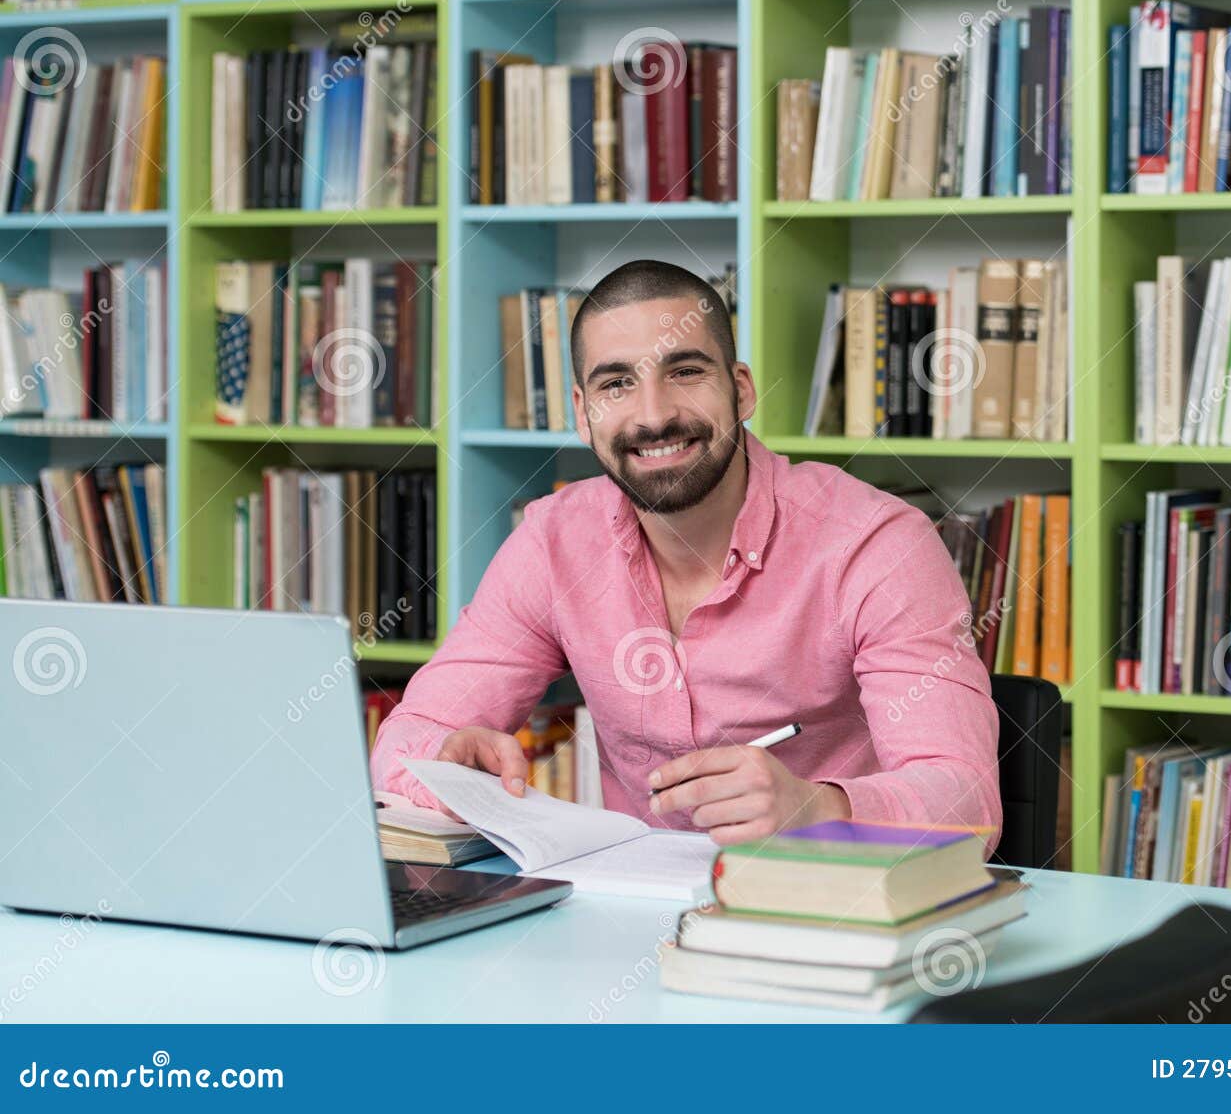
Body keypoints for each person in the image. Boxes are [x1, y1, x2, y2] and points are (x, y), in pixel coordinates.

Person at [371, 259, 1000, 848]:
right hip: (630, 923)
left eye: (686, 372)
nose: (654, 416)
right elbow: (405, 739)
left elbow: (967, 804)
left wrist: (815, 807)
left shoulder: (877, 545)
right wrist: (446, 769)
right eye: (617, 384)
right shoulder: (554, 541)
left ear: (742, 389)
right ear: (584, 416)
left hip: (829, 917)